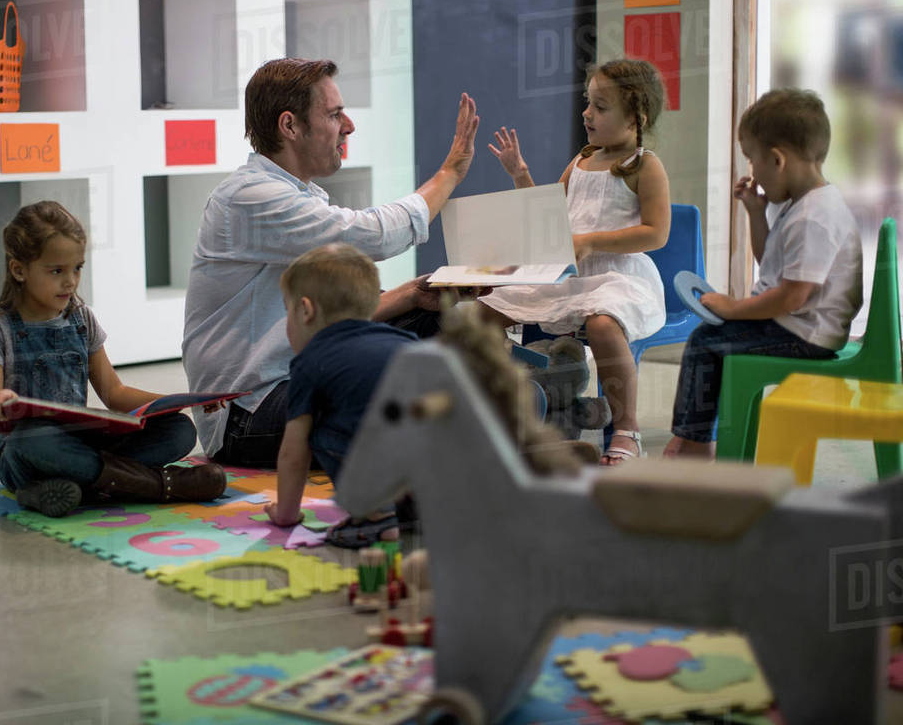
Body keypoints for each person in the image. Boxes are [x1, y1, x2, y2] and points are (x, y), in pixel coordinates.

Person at [183, 57, 480, 467]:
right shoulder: (250, 197)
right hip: (246, 415)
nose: (349, 126)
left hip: (297, 378)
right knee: (408, 388)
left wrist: (413, 293)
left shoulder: (300, 197)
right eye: (335, 113)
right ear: (290, 126)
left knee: (436, 324)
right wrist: (449, 173)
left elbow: (339, 315)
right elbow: (373, 235)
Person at [0, 201, 226, 517]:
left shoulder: (81, 318)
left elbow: (114, 394)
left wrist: (181, 402)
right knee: (32, 439)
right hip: (27, 453)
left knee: (179, 429)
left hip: (84, 445)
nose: (70, 281)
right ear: (19, 269)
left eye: (77, 268)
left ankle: (64, 489)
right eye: (56, 271)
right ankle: (158, 485)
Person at [478, 58, 671, 465]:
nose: (587, 113)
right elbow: (551, 222)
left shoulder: (645, 166)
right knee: (484, 311)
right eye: (588, 102)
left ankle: (627, 428)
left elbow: (656, 233)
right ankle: (509, 405)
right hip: (570, 276)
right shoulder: (580, 162)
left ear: (636, 116)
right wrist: (521, 175)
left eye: (601, 107)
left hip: (619, 276)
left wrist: (591, 241)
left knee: (602, 323)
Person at [664, 89, 863, 458]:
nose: (752, 171)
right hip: (801, 327)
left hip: (806, 335)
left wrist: (732, 308)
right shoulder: (803, 206)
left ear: (776, 159)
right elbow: (771, 265)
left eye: (752, 160)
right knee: (716, 338)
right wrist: (756, 213)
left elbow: (791, 297)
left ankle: (693, 445)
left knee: (706, 342)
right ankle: (696, 434)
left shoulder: (814, 218)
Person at [263, 245, 419, 546]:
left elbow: (293, 454)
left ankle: (376, 517)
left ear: (306, 310)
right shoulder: (407, 341)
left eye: (287, 311)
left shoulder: (310, 363)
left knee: (318, 429)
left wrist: (285, 514)